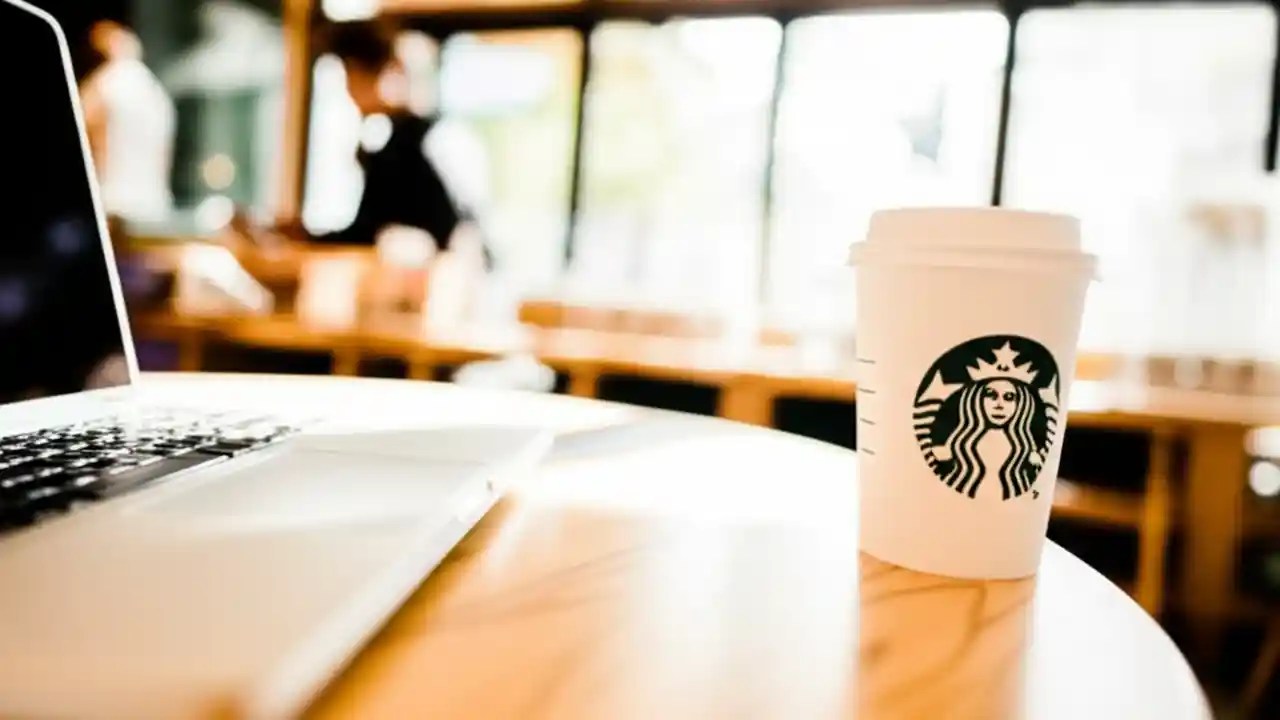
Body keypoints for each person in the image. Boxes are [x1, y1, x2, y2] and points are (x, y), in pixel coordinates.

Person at [303, 21, 466, 254]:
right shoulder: (413, 140)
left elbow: (368, 233)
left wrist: (302, 239)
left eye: (350, 75)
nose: (348, 90)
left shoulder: (408, 148)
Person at [79, 20, 176, 227]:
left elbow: (84, 134)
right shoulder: (156, 91)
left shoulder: (102, 86)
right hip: (153, 203)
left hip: (113, 203)